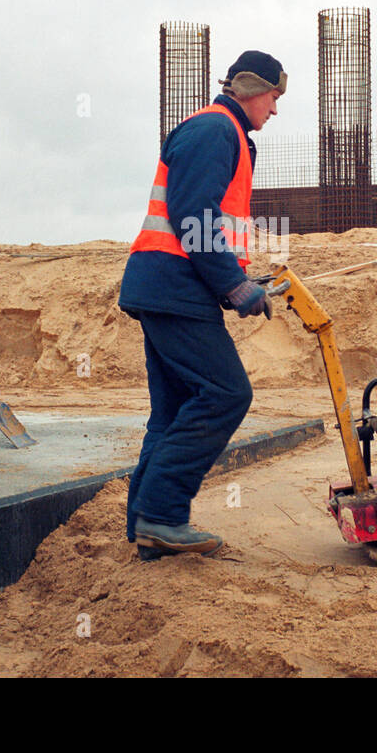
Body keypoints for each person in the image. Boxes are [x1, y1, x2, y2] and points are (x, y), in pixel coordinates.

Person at [118, 50, 286, 561]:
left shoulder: (220, 131)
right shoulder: (216, 130)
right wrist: (232, 288)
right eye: (275, 98)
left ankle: (149, 528)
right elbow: (194, 215)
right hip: (175, 287)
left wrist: (234, 278)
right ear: (253, 89)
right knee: (225, 394)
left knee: (171, 412)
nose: (275, 111)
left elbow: (205, 221)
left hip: (168, 285)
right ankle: (164, 516)